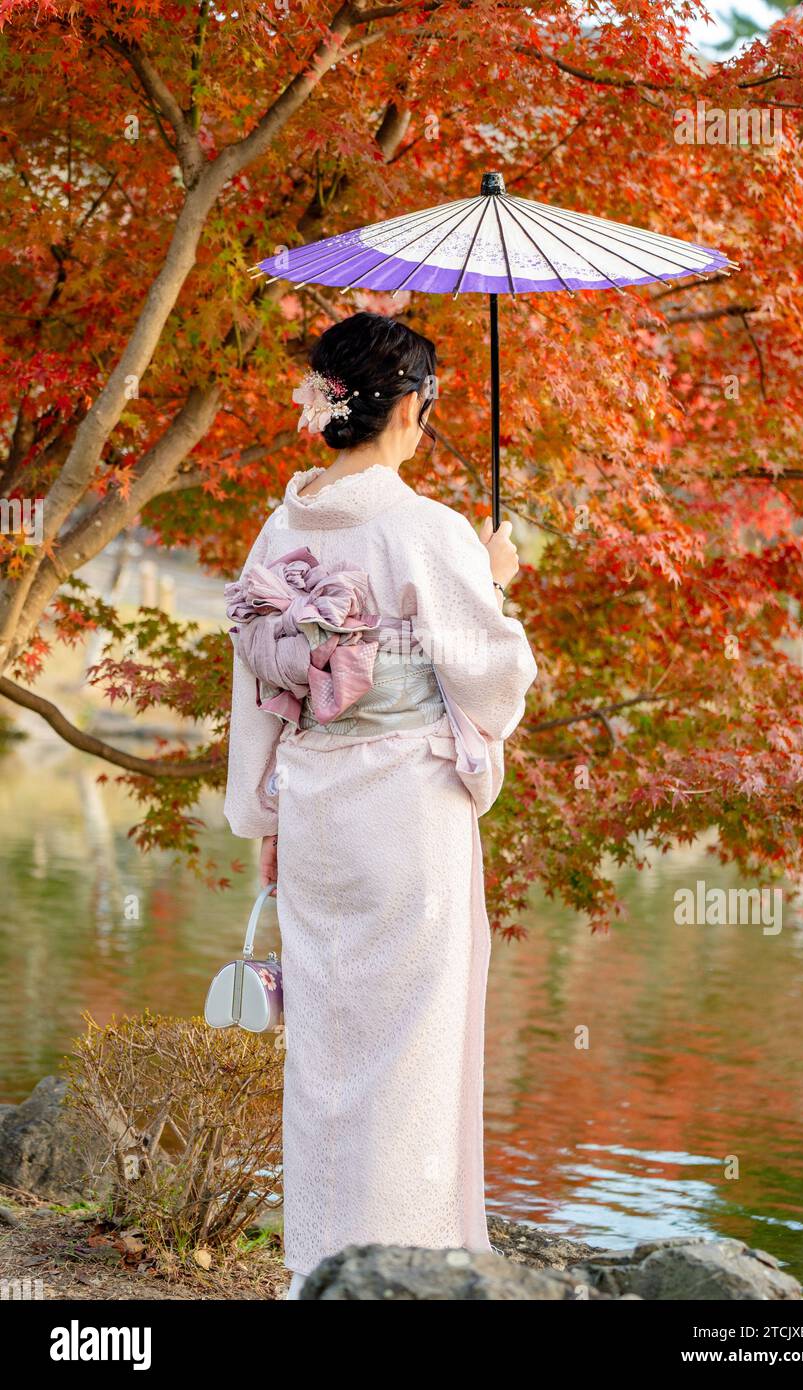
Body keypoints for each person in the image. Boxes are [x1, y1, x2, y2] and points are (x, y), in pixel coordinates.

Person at [224, 311, 537, 1300]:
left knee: (325, 1047)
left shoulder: (281, 526)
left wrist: (264, 817)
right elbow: (492, 681)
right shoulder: (426, 529)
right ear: (405, 405)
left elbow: (261, 689)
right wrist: (491, 581)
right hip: (403, 813)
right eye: (425, 405)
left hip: (315, 803)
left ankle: (315, 1266)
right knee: (410, 1045)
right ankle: (402, 1274)